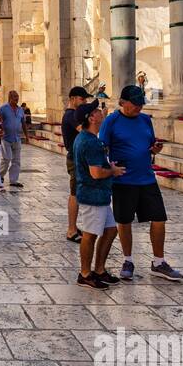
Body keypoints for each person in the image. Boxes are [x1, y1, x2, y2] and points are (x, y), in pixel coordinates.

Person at [100, 85, 182, 282]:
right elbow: (102, 147)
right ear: (123, 102)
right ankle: (128, 260)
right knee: (124, 221)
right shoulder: (111, 121)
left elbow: (148, 146)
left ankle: (158, 262)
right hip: (123, 180)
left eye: (141, 103)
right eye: (135, 103)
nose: (139, 107)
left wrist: (154, 149)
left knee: (159, 219)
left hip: (146, 178)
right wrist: (109, 169)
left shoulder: (145, 120)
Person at [73, 101, 125, 288]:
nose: (101, 112)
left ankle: (99, 270)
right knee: (90, 234)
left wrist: (108, 167)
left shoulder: (86, 138)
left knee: (110, 230)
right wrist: (113, 171)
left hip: (99, 195)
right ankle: (85, 274)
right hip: (93, 195)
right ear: (91, 118)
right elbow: (95, 173)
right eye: (96, 111)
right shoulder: (90, 142)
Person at [63, 86, 91, 242]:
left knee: (77, 193)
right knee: (75, 194)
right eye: (82, 99)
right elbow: (85, 131)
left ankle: (74, 226)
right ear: (72, 98)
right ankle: (71, 230)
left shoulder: (72, 115)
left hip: (78, 158)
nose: (84, 102)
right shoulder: (71, 115)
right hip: (75, 159)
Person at [0, 91, 25, 189]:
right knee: (7, 158)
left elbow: (23, 122)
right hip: (6, 138)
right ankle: (0, 176)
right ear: (10, 98)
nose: (17, 99)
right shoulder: (3, 109)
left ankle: (13, 180)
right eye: (14, 97)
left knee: (16, 160)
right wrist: (1, 131)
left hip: (17, 138)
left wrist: (26, 135)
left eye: (17, 97)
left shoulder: (20, 109)